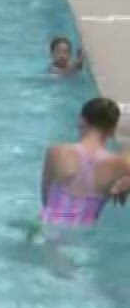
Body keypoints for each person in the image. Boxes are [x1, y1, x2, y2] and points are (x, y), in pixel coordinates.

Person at [39, 97, 130, 230]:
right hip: (83, 232)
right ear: (112, 129)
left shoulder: (56, 152)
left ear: (81, 120)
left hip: (47, 226)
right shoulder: (121, 165)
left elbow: (45, 196)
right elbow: (120, 197)